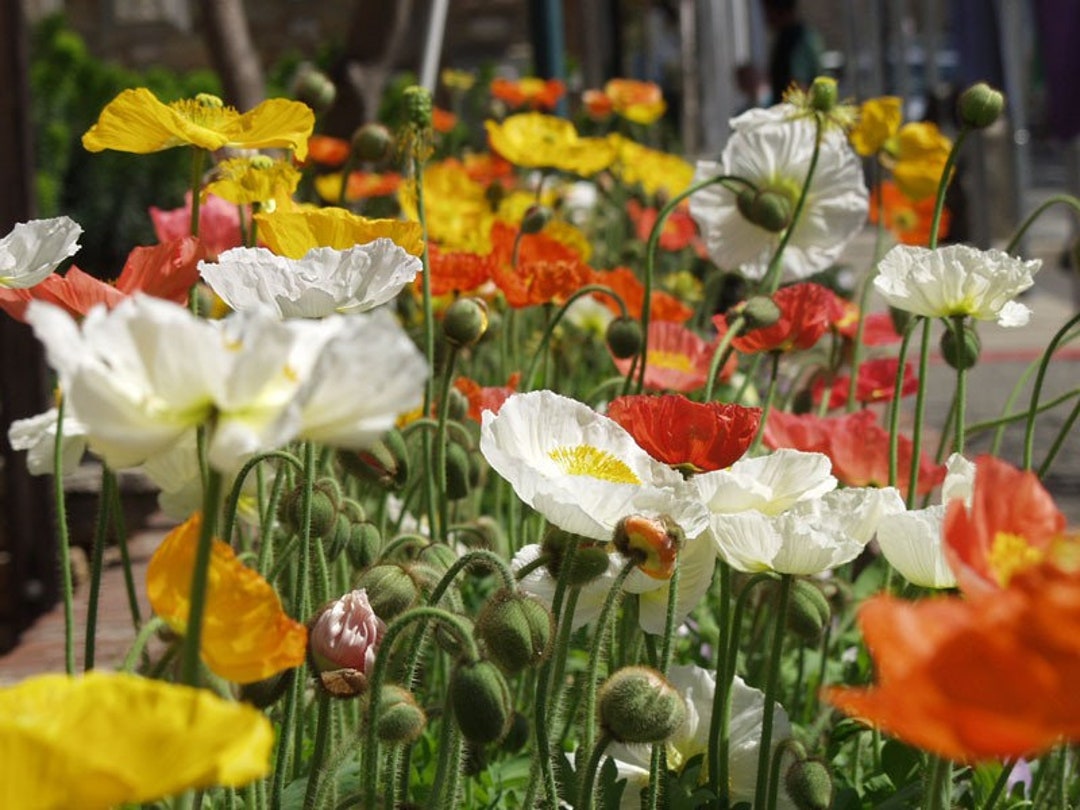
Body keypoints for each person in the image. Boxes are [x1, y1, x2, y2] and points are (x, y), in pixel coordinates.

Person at [762, 0, 824, 104]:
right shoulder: (799, 35)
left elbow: (799, 87)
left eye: (766, 11)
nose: (765, 18)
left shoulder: (795, 40)